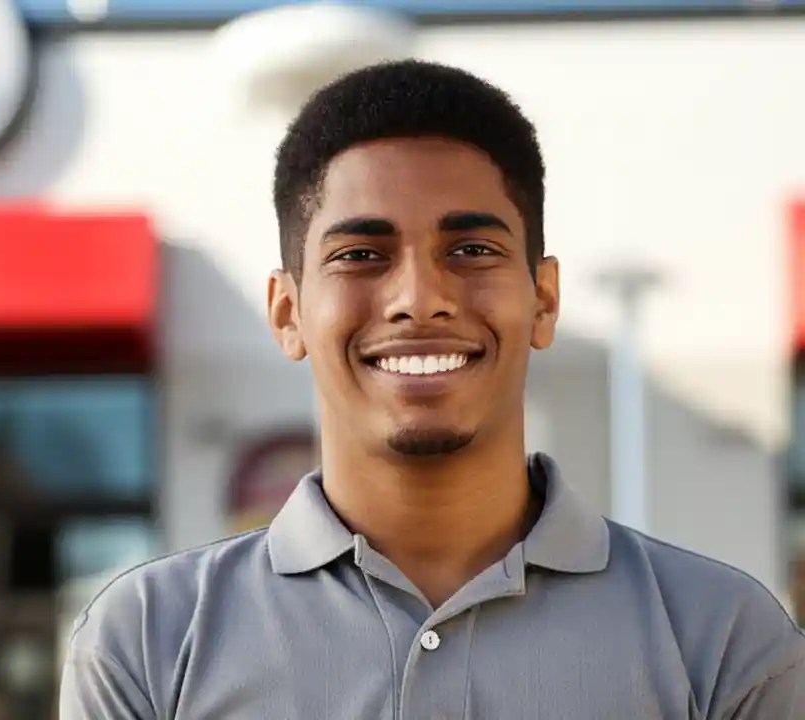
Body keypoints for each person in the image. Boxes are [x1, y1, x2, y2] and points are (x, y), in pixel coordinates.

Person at [59, 60, 805, 719]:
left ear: (544, 300)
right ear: (288, 313)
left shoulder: (721, 639)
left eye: (472, 249)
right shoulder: (150, 642)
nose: (419, 297)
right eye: (362, 253)